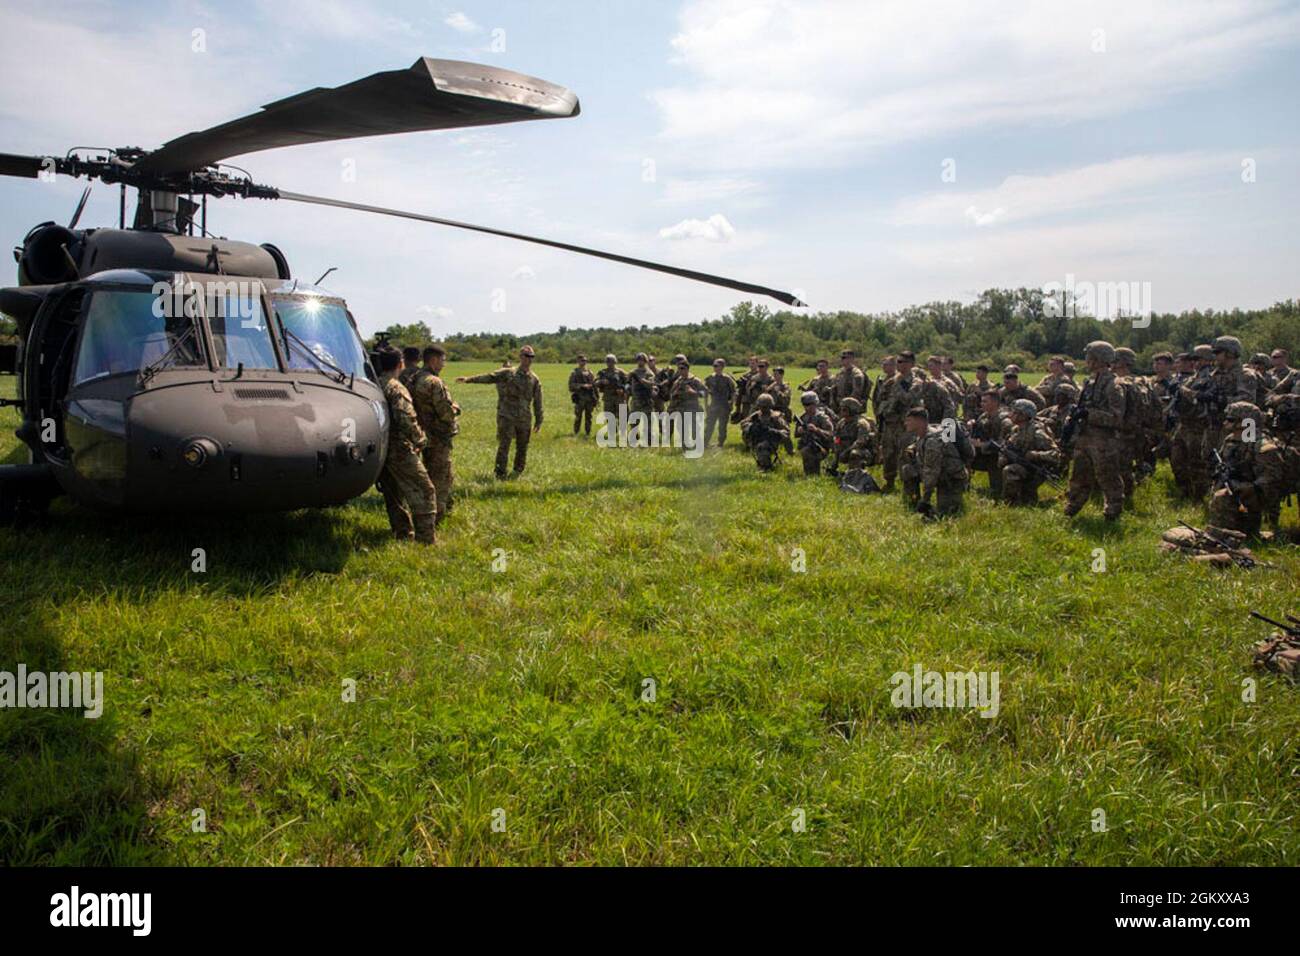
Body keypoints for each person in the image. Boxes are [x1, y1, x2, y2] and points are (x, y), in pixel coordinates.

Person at [376, 349, 437, 544]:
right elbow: (405, 418)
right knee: (425, 489)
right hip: (399, 448)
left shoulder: (374, 384)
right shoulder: (396, 387)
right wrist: (420, 440)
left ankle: (401, 532)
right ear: (400, 364)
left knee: (392, 492)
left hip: (379, 448)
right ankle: (426, 540)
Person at [1063, 341, 1127, 521]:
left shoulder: (1113, 385)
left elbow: (1116, 418)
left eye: (1090, 357)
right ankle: (1072, 507)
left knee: (1108, 477)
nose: (1087, 360)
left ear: (1100, 359)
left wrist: (1089, 414)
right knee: (1079, 475)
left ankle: (1113, 512)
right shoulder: (1090, 382)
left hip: (1104, 440)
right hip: (1085, 437)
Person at [457, 345, 543, 479]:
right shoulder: (509, 373)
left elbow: (538, 400)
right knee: (504, 445)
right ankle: (500, 472)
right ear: (520, 357)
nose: (529, 359)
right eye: (527, 356)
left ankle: (518, 470)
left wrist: (539, 419)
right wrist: (469, 379)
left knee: (523, 446)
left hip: (524, 418)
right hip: (507, 415)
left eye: (532, 357)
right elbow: (490, 377)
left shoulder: (534, 379)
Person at [1207, 402, 1286, 538]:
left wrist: (1247, 488)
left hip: (1256, 492)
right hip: (1238, 487)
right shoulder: (1231, 440)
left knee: (1222, 497)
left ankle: (1235, 533)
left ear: (1245, 422)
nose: (1226, 423)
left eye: (1231, 420)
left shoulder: (1263, 446)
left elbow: (1272, 478)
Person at [409, 344, 460, 524]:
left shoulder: (414, 379)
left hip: (422, 435)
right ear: (433, 360)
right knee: (440, 477)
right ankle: (436, 517)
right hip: (438, 437)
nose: (444, 364)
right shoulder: (434, 382)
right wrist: (455, 409)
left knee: (428, 473)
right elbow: (445, 412)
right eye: (442, 360)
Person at [900, 408, 966, 518]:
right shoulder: (922, 434)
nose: (905, 423)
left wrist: (926, 499)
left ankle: (925, 504)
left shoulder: (933, 441)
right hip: (938, 474)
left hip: (950, 478)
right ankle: (913, 500)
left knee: (946, 514)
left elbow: (931, 472)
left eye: (909, 420)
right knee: (907, 469)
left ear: (920, 422)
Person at [999, 399, 1063, 506]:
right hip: (1023, 466)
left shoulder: (1037, 432)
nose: (1011, 415)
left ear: (1023, 415)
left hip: (1036, 469)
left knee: (1010, 470)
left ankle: (1011, 503)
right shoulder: (1016, 430)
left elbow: (1056, 454)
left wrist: (1035, 455)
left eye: (1015, 412)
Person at [969, 390, 1010, 495]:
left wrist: (981, 445)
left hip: (1001, 457)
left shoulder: (1005, 420)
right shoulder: (983, 417)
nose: (981, 404)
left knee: (995, 459)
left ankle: (998, 490)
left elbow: (1004, 446)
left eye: (985, 401)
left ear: (995, 403)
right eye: (981, 401)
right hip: (986, 453)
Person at [826, 396, 877, 478]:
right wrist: (836, 456)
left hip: (864, 452)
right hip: (846, 450)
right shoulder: (841, 423)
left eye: (844, 409)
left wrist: (846, 451)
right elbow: (837, 438)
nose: (841, 412)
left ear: (852, 410)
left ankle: (854, 478)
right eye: (841, 409)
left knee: (854, 454)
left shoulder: (862, 423)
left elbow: (860, 442)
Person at [740, 393, 788, 471]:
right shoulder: (755, 416)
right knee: (760, 445)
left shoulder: (776, 417)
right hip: (757, 440)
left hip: (772, 441)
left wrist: (774, 432)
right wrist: (751, 427)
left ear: (770, 406)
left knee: (762, 446)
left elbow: (786, 433)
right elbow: (743, 424)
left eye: (765, 407)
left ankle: (766, 467)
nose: (763, 409)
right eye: (761, 406)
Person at [793, 391, 835, 476]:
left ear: (815, 404)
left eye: (809, 405)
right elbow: (796, 435)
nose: (807, 408)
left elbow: (831, 435)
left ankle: (813, 474)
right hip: (807, 445)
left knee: (807, 452)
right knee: (806, 451)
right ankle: (810, 474)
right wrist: (799, 431)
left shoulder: (823, 418)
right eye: (805, 405)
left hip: (820, 447)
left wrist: (817, 430)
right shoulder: (803, 417)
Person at [703, 358, 737, 447]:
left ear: (722, 367)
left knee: (722, 426)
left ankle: (720, 443)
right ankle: (705, 442)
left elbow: (733, 391)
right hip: (713, 405)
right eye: (713, 365)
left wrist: (732, 403)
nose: (714, 367)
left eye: (716, 366)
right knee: (709, 425)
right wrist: (706, 404)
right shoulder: (709, 378)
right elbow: (705, 392)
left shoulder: (727, 379)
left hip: (724, 406)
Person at [568, 354, 598, 437]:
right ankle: (576, 432)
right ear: (578, 361)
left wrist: (596, 397)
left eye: (585, 360)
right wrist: (582, 386)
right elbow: (571, 386)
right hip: (579, 398)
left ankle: (587, 433)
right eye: (582, 360)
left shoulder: (590, 372)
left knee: (589, 417)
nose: (583, 362)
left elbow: (594, 385)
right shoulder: (574, 373)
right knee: (578, 417)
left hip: (589, 398)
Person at [832, 349, 867, 414]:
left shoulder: (857, 374)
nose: (843, 359)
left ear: (852, 359)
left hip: (851, 409)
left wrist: (845, 405)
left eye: (845, 358)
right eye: (842, 357)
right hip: (839, 407)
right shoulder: (840, 373)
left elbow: (856, 392)